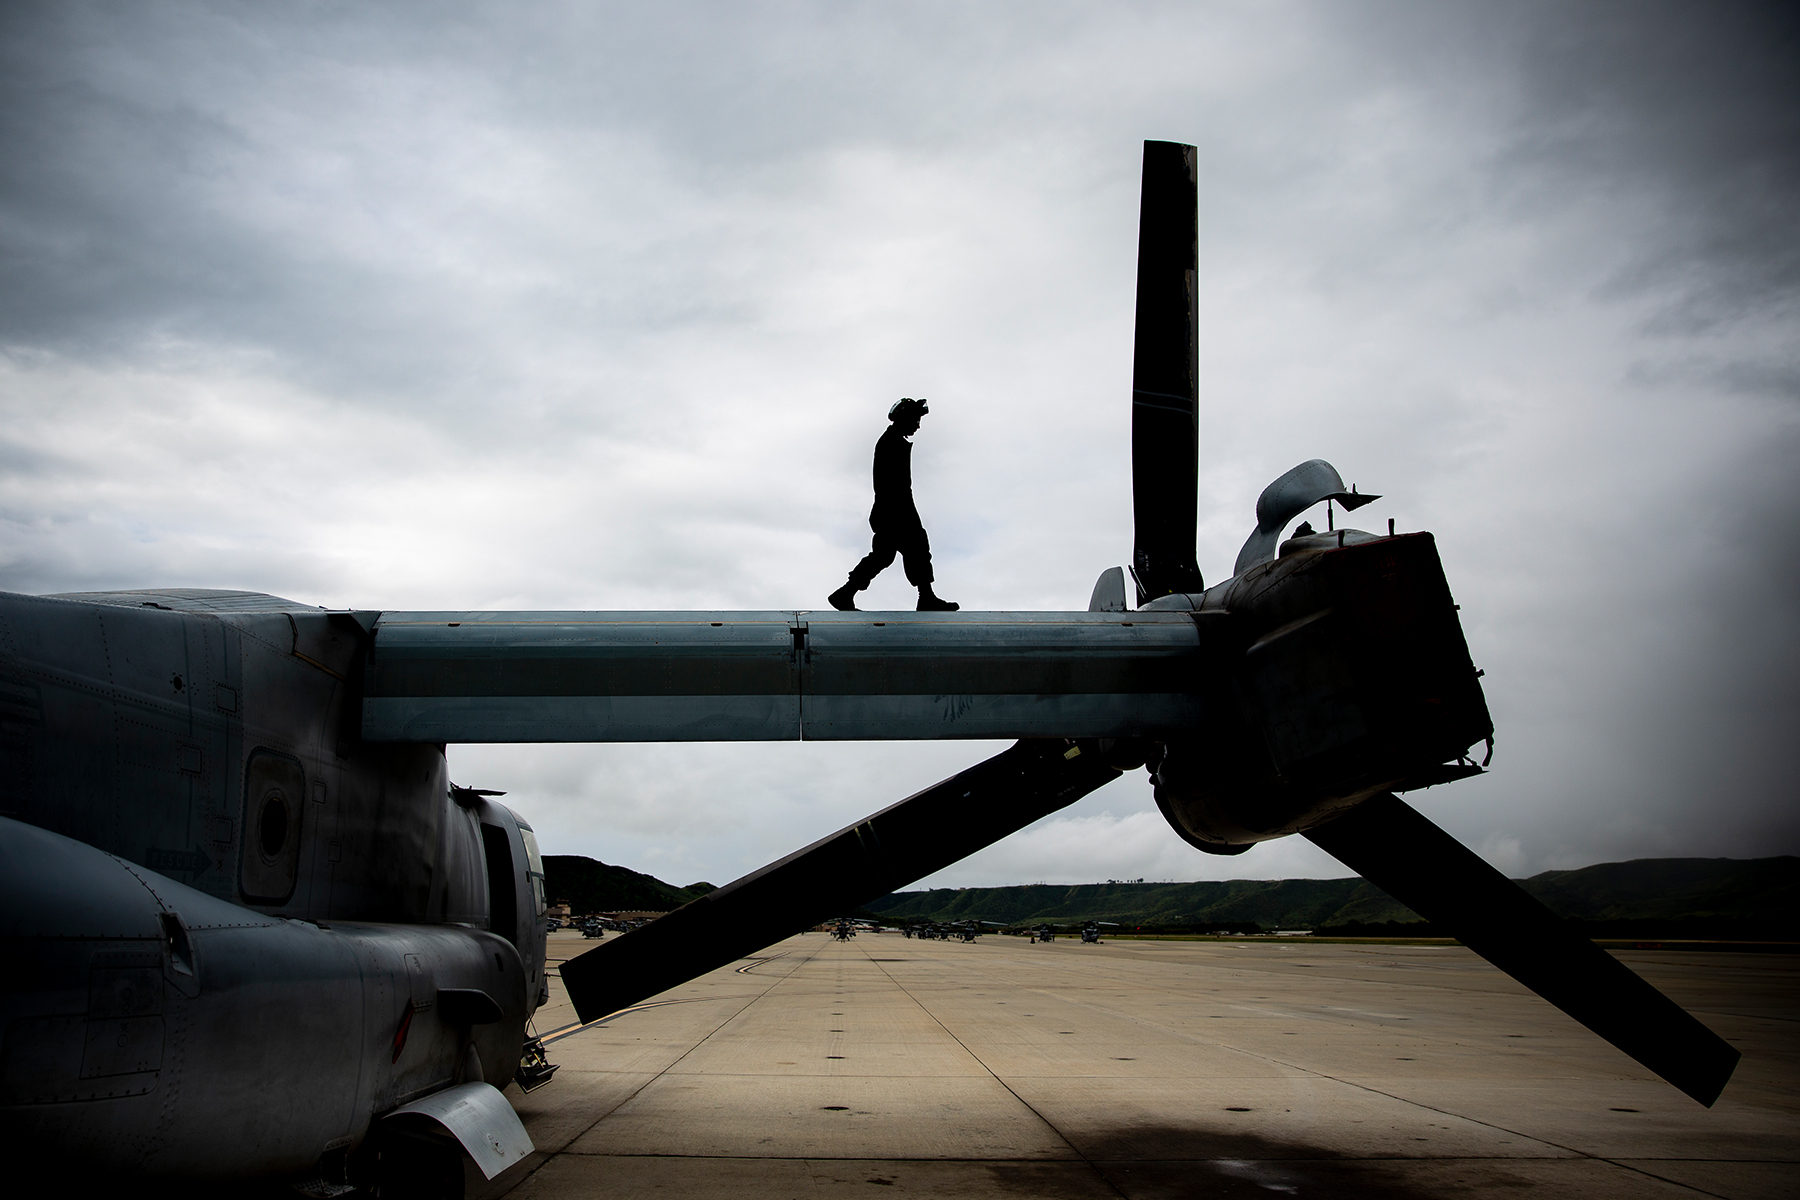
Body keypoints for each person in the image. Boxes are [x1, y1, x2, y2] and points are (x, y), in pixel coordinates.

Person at [829, 397, 959, 612]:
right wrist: (906, 513)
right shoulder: (891, 442)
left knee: (885, 555)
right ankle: (926, 597)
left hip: (890, 510)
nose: (918, 425)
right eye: (915, 420)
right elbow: (894, 486)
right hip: (895, 510)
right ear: (904, 418)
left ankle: (845, 593)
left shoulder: (892, 440)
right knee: (915, 548)